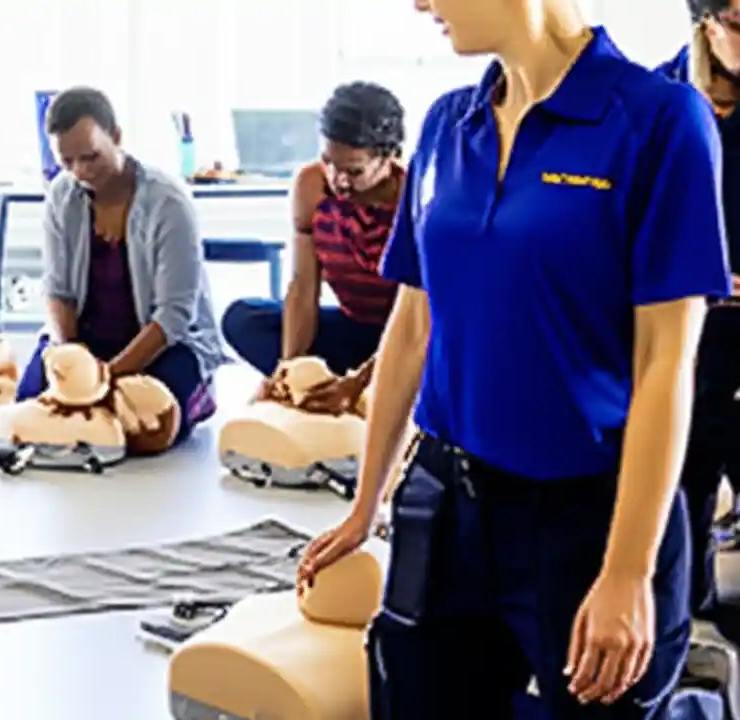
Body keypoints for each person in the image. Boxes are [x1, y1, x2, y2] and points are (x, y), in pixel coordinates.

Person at [297, 0, 728, 717]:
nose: (421, 3)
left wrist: (627, 570)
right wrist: (366, 501)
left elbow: (665, 362)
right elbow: (411, 327)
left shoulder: (660, 119)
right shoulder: (444, 125)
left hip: (589, 514)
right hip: (446, 501)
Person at [17, 86, 225, 449]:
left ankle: (198, 393)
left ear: (116, 137)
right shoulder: (62, 196)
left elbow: (172, 318)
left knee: (146, 428)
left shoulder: (168, 203)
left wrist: (107, 378)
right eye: (67, 162)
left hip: (163, 345)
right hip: (89, 340)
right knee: (29, 412)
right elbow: (58, 292)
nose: (80, 172)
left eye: (91, 157)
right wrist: (74, 363)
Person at [221, 82, 406, 402]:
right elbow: (304, 286)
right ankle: (318, 388)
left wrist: (361, 381)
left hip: (403, 336)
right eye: (329, 162)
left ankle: (371, 389)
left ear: (388, 156)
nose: (339, 180)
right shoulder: (312, 186)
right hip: (351, 327)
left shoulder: (415, 199)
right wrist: (287, 370)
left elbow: (424, 314)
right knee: (243, 318)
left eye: (354, 170)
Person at [656, 0, 740, 637]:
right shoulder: (662, 99)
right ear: (707, 23)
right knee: (685, 475)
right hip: (690, 325)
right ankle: (687, 605)